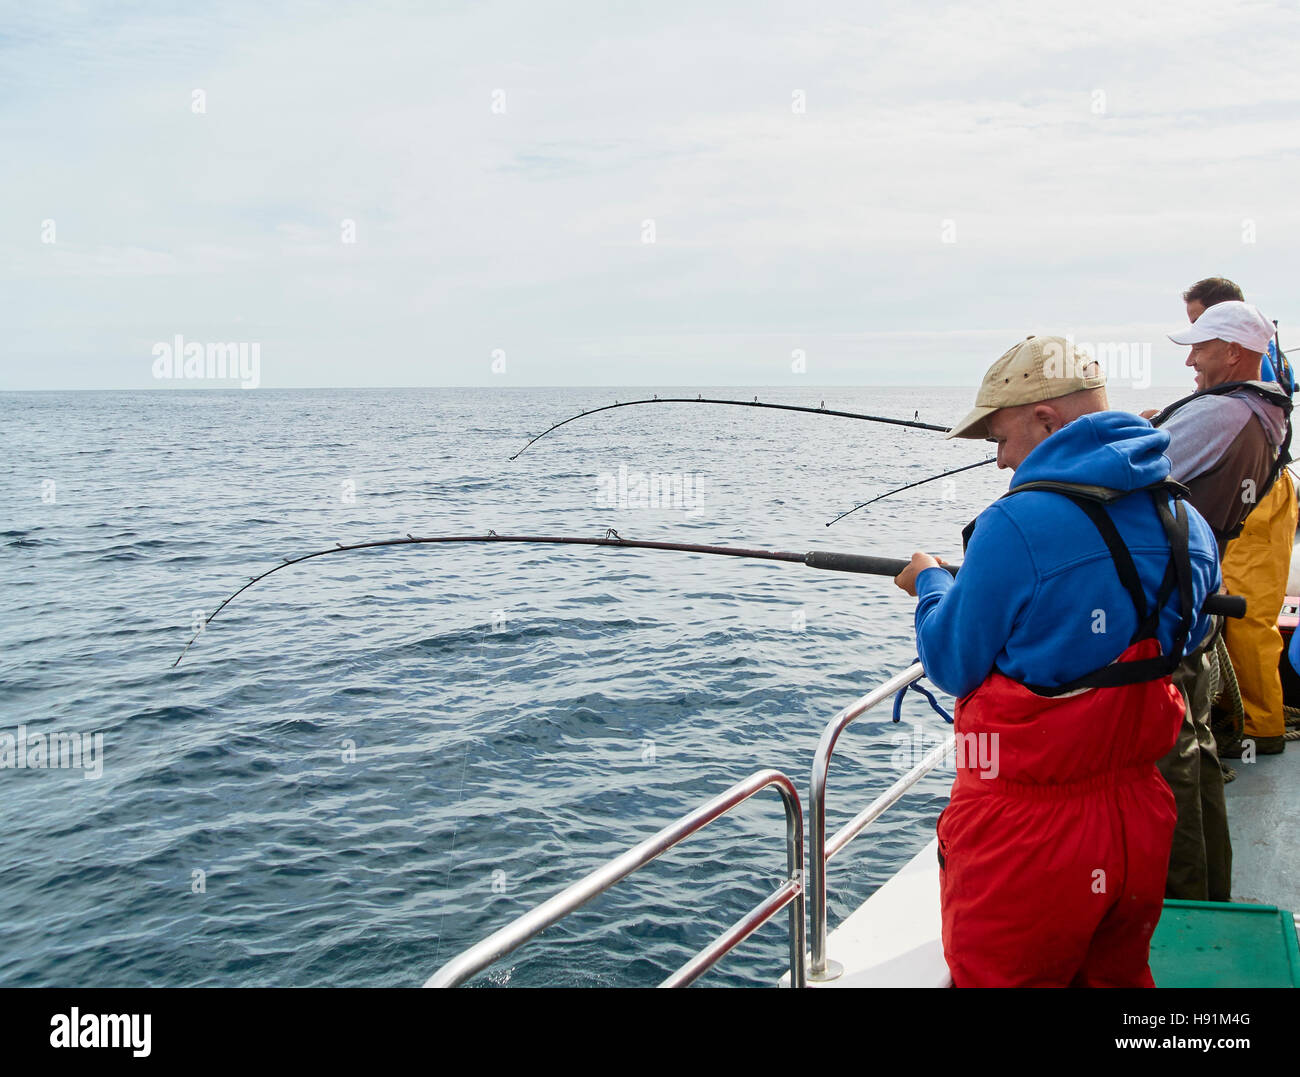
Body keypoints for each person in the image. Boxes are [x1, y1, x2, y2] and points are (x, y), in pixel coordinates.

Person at [894, 335, 1221, 987]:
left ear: (1043, 419)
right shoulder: (1184, 514)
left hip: (1029, 842)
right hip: (1139, 821)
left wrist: (932, 582)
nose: (999, 460)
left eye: (1000, 436)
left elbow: (952, 662)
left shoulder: (1015, 524)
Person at [1157, 284, 1296, 761]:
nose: (1191, 357)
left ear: (1234, 348)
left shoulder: (1230, 403)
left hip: (1258, 502)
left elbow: (1141, 471)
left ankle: (1260, 727)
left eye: (1200, 342)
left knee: (1250, 616)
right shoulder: (1258, 392)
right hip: (1253, 493)